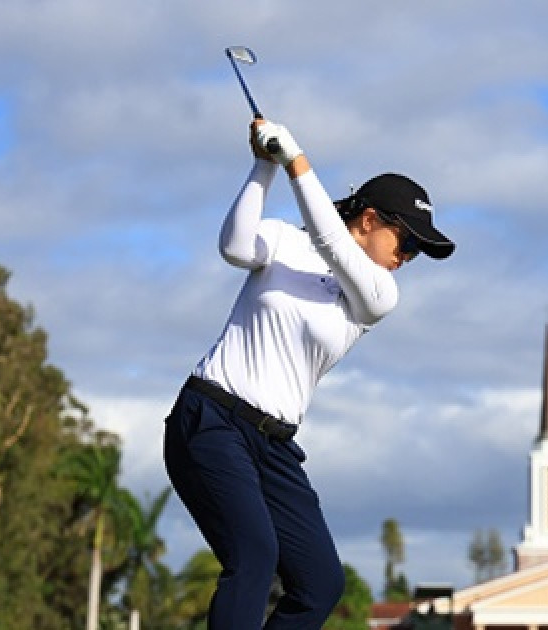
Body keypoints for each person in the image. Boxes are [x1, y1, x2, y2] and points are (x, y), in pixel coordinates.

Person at [163, 118, 454, 629]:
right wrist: (263, 164)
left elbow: (331, 242)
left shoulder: (379, 294)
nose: (407, 258)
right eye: (405, 242)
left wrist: (296, 158)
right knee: (253, 555)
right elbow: (234, 247)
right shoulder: (284, 240)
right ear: (368, 219)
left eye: (416, 252)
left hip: (274, 447)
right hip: (210, 418)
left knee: (320, 582)